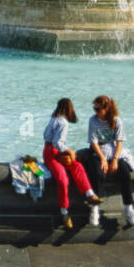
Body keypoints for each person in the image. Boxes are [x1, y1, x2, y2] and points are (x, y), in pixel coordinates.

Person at [42, 98, 103, 230]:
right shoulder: (63, 122)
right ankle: (66, 211)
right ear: (69, 109)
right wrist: (69, 151)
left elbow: (45, 135)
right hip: (53, 153)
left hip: (49, 152)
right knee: (65, 177)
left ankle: (90, 195)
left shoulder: (53, 118)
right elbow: (57, 143)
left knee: (75, 167)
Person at [85, 95, 134, 227]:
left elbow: (119, 142)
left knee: (124, 172)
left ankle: (128, 208)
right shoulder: (92, 120)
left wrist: (114, 160)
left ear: (106, 108)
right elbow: (93, 142)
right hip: (98, 151)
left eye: (98, 109)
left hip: (113, 150)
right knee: (97, 173)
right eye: (94, 109)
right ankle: (95, 208)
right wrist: (103, 159)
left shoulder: (116, 121)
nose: (95, 112)